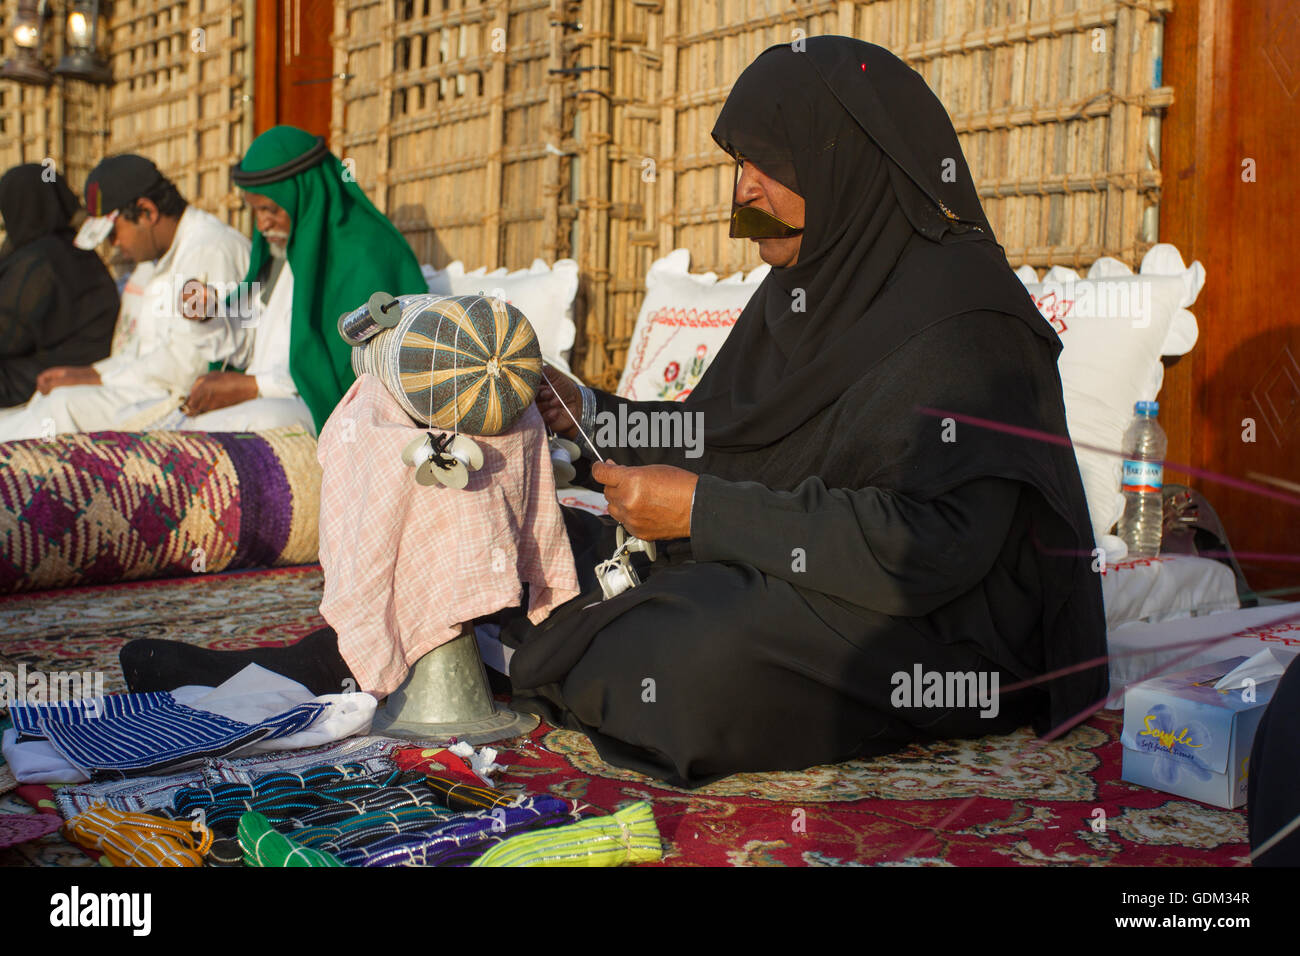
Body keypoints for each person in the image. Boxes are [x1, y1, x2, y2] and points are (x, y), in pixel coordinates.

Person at [122, 38, 1108, 789]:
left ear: (842, 162)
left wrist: (704, 516)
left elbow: (928, 551)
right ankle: (275, 674)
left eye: (764, 162)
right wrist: (587, 409)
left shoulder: (968, 329)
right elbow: (723, 432)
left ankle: (495, 645)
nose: (741, 191)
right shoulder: (812, 280)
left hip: (941, 627)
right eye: (737, 163)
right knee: (521, 528)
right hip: (793, 562)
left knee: (694, 660)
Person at [172, 126, 428, 435]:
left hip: (330, 414)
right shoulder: (283, 250)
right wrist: (207, 316)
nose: (262, 223)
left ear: (306, 195)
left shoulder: (367, 254)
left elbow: (355, 369)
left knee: (251, 424)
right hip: (272, 400)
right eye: (255, 210)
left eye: (269, 209)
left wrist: (253, 387)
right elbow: (248, 349)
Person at [0, 155, 249, 441]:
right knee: (52, 400)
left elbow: (188, 367)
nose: (113, 245)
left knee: (62, 408)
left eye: (114, 233)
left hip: (186, 404)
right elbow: (139, 352)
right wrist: (92, 372)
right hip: (150, 391)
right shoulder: (155, 262)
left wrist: (99, 378)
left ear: (147, 212)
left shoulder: (210, 250)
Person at [0, 163, 119, 408]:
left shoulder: (39, 262)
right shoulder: (76, 251)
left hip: (51, 377)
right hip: (77, 369)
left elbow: (7, 335)